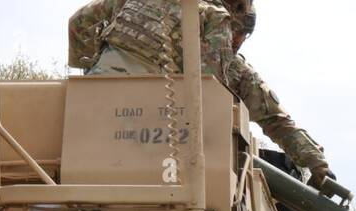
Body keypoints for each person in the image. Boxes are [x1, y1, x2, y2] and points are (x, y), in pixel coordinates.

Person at [68, 0, 342, 191]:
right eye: (240, 34)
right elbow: (213, 93)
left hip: (92, 117)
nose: (238, 41)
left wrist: (90, 70)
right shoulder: (215, 23)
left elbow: (77, 23)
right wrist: (318, 166)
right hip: (167, 156)